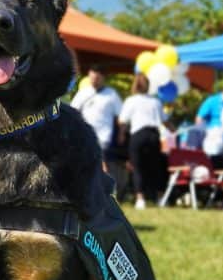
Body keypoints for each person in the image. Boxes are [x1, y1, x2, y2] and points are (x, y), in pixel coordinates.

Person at [119, 73, 166, 209]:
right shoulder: (156, 101)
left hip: (138, 135)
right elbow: (165, 120)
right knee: (155, 167)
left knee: (137, 167)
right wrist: (173, 130)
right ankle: (160, 197)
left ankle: (140, 198)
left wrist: (121, 135)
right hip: (153, 135)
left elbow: (123, 121)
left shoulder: (131, 101)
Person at [70, 67, 123, 177]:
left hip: (103, 137)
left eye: (97, 77)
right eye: (92, 77)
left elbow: (120, 117)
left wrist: (121, 133)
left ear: (103, 78)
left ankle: (105, 189)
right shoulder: (83, 93)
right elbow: (72, 113)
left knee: (100, 165)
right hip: (84, 137)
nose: (95, 80)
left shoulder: (111, 94)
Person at [194, 80, 223, 170]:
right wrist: (202, 135)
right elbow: (199, 119)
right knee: (214, 164)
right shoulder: (212, 101)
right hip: (214, 138)